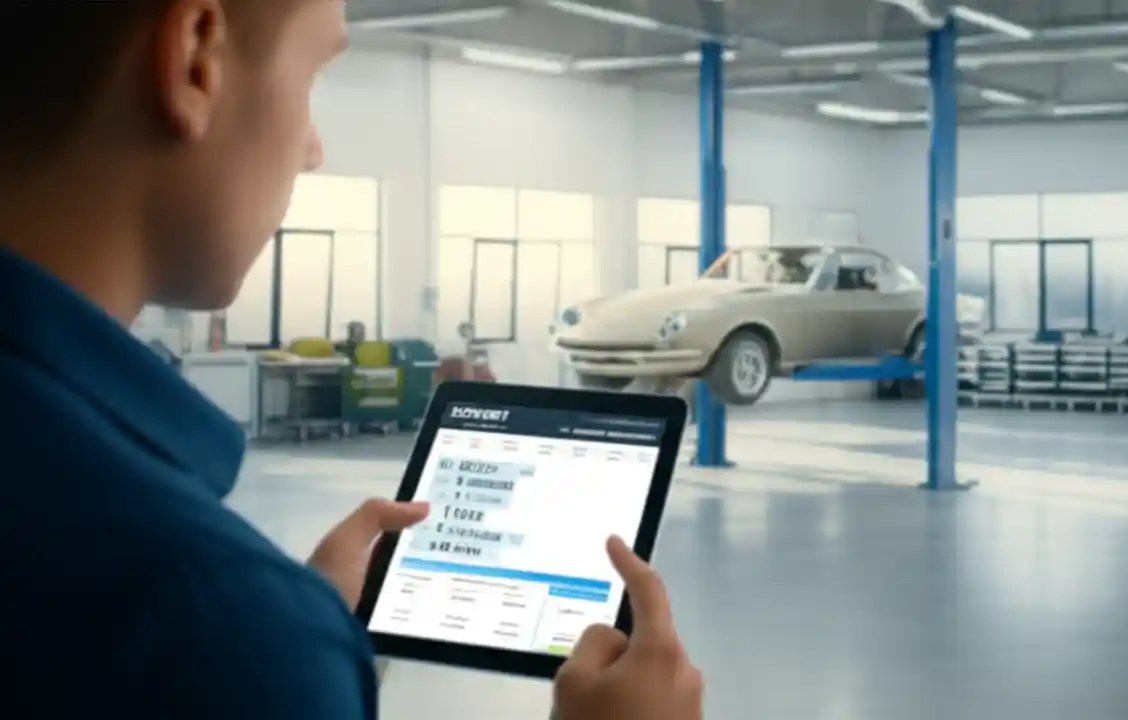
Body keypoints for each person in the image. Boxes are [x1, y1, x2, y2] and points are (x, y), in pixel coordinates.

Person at [0, 1, 702, 718]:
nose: (313, 148)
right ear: (195, 59)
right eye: (314, 74)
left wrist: (309, 620)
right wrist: (274, 640)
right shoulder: (204, 623)